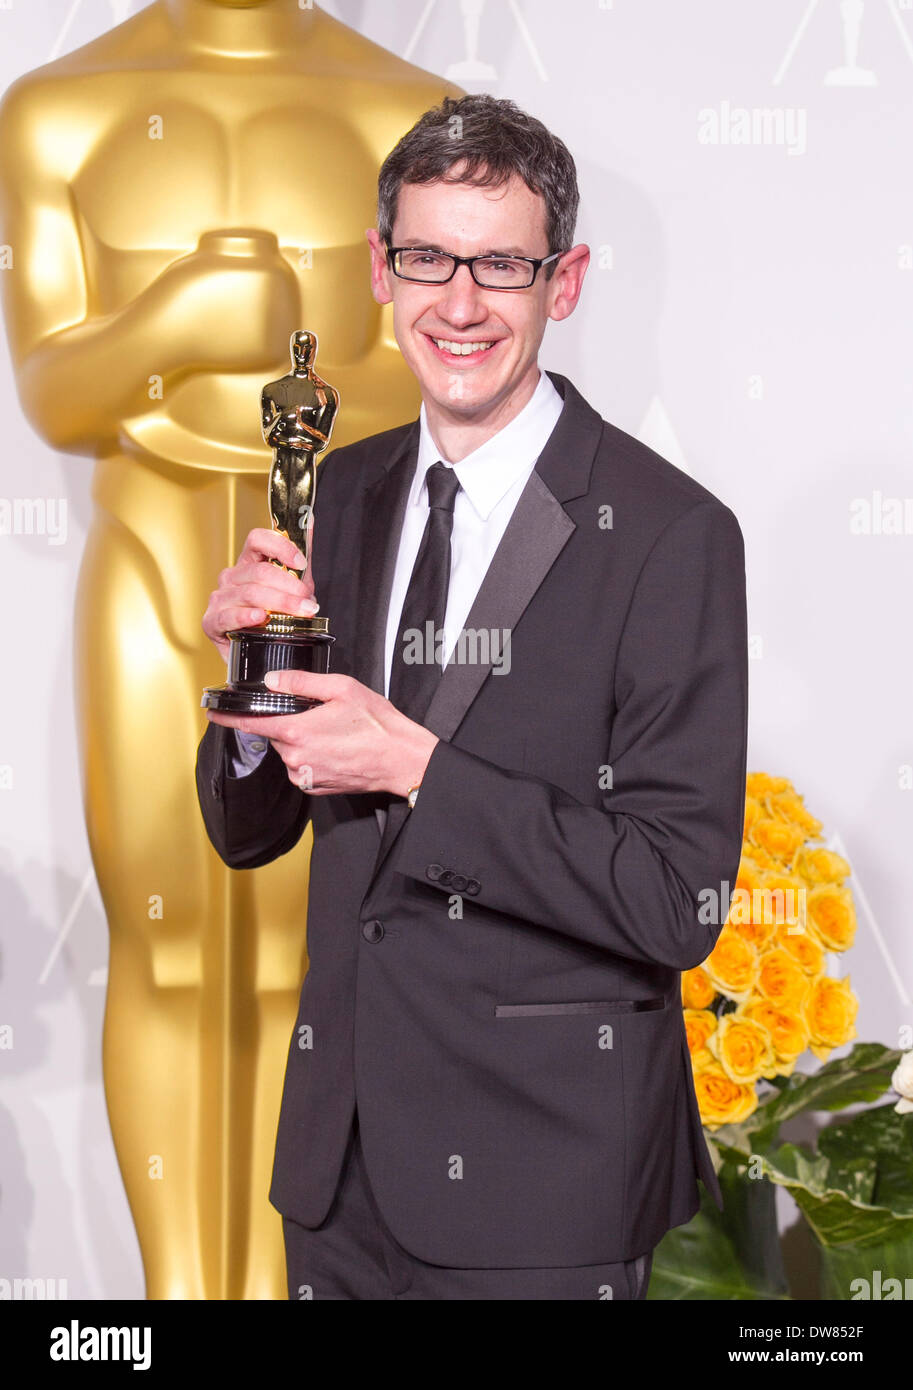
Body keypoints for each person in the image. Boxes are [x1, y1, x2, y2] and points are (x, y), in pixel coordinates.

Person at [195, 93, 749, 1301]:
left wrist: (417, 771)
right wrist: (248, 689)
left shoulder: (671, 534)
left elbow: (676, 898)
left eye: (500, 262)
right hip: (334, 1178)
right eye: (428, 257)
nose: (460, 302)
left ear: (566, 280)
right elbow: (250, 834)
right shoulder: (334, 494)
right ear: (379, 269)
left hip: (542, 1182)